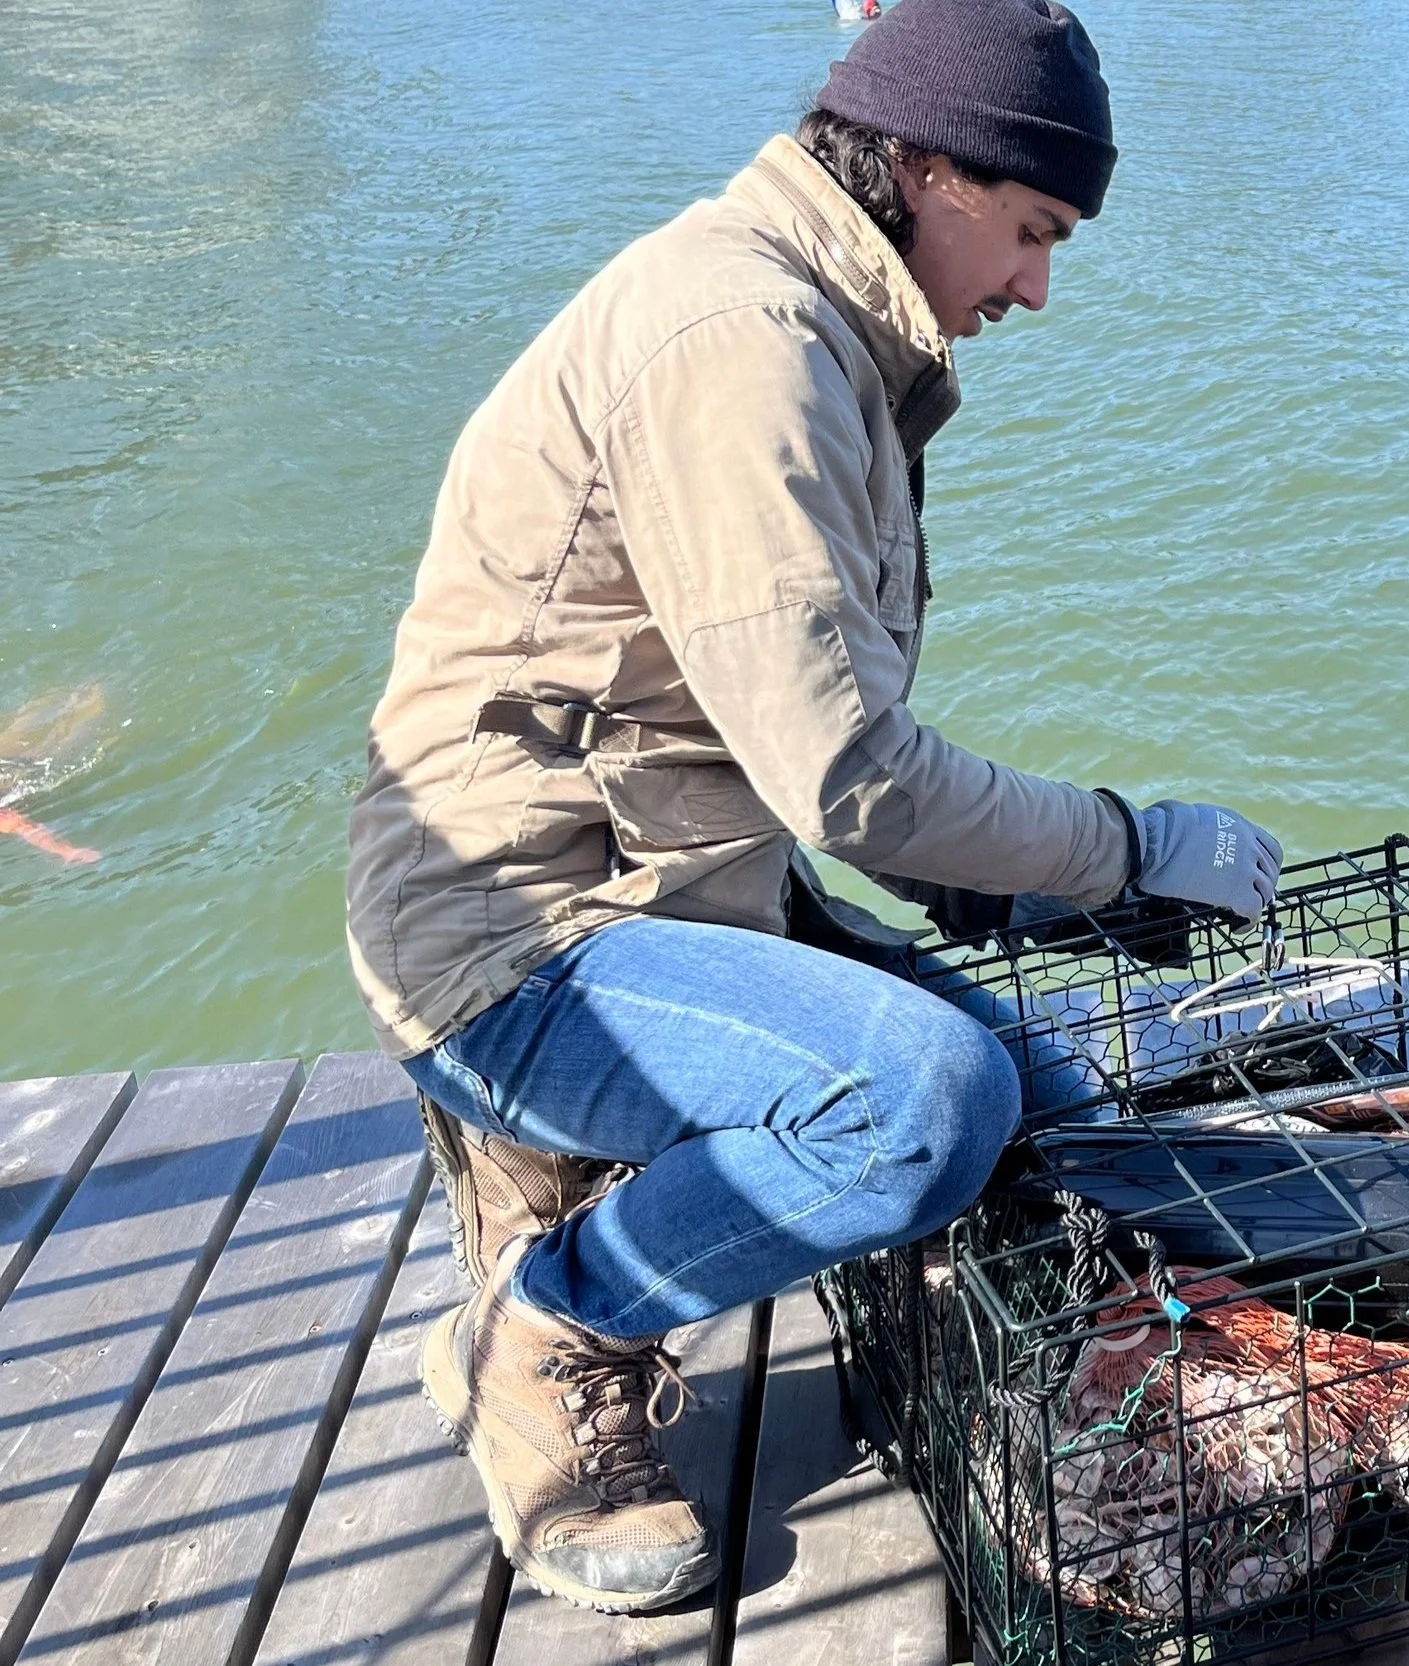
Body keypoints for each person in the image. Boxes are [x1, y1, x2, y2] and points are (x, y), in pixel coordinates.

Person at [343, 0, 1282, 1615]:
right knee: (924, 1105)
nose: (1037, 290)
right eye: (1032, 232)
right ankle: (553, 1319)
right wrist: (1124, 845)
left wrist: (1025, 887)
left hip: (675, 880)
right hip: (520, 939)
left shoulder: (810, 315)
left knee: (1039, 1106)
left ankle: (564, 1187)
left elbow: (773, 731)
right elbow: (845, 772)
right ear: (923, 167)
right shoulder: (744, 345)